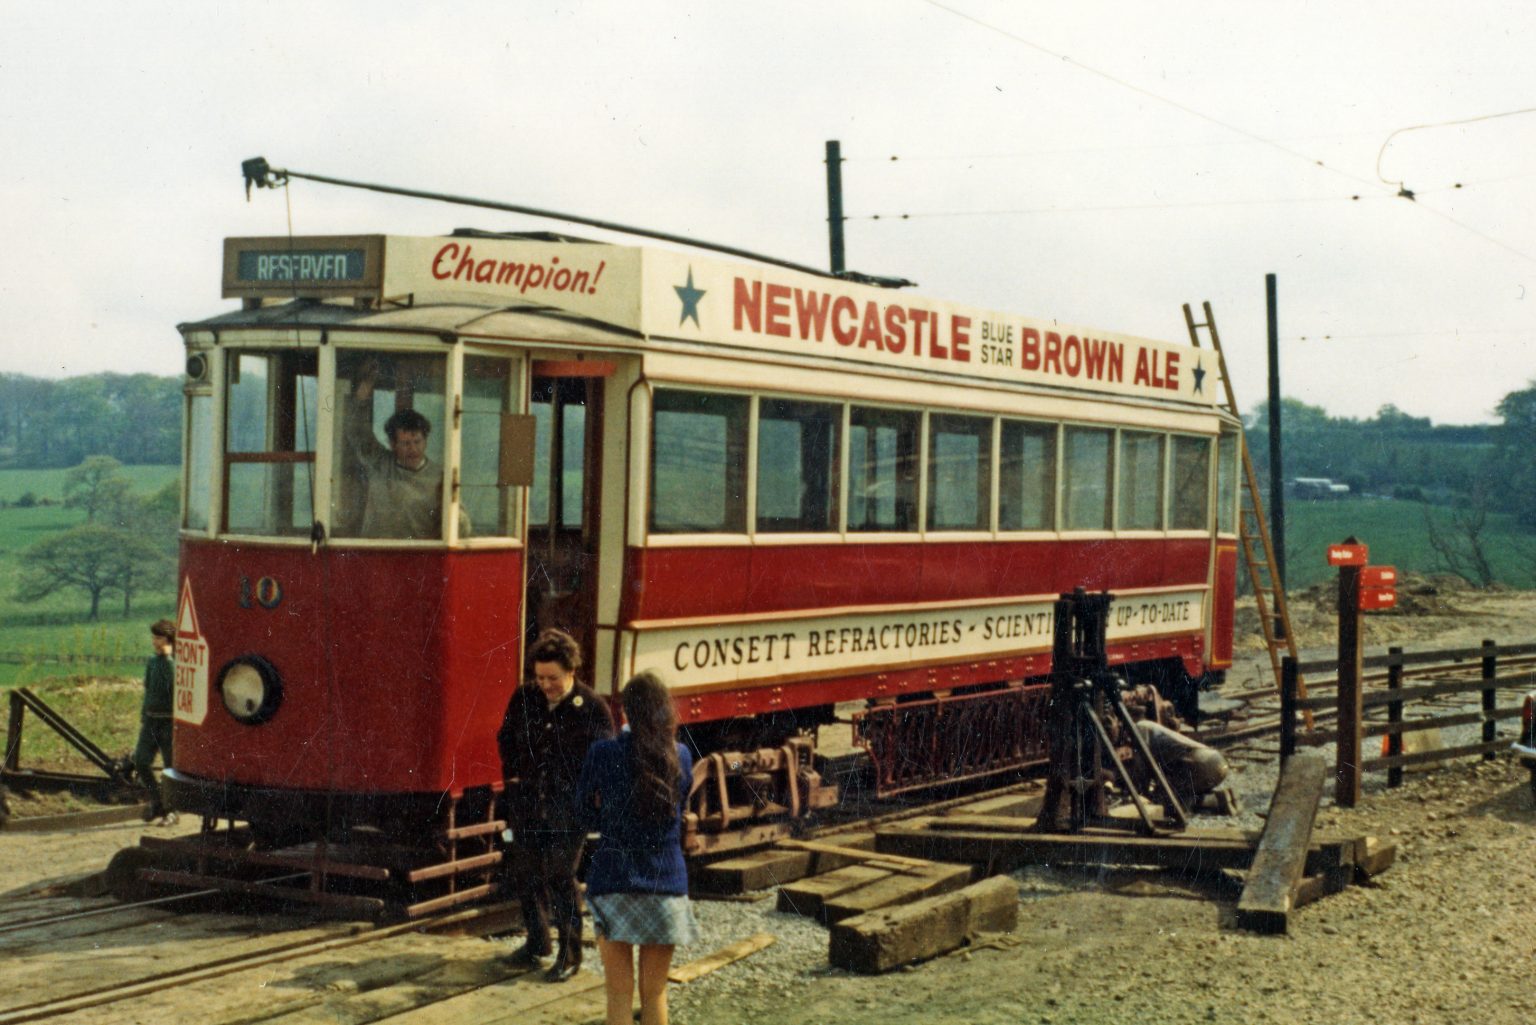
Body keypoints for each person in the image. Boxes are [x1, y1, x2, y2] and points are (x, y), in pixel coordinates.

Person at [576, 670, 700, 1025]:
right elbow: (681, 802)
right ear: (665, 711)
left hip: (613, 882)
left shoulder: (602, 752)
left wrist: (611, 822)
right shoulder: (681, 756)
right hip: (665, 887)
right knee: (655, 992)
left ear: (625, 712)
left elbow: (582, 810)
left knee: (618, 993)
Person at [496, 628, 615, 982]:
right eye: (539, 677)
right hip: (529, 801)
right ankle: (537, 943)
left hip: (569, 806)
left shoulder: (592, 707)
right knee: (526, 871)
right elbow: (506, 739)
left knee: (561, 875)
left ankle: (569, 954)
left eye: (554, 678)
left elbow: (605, 758)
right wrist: (516, 777)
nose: (545, 684)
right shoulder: (525, 697)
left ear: (571, 672)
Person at [345, 361, 446, 539]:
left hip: (420, 559)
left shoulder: (440, 476)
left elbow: (459, 523)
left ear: (426, 440)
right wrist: (365, 388)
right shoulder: (379, 463)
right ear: (393, 444)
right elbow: (356, 430)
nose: (413, 449)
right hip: (376, 556)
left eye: (418, 441)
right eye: (406, 443)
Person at [133, 619, 178, 826]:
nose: (155, 641)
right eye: (154, 637)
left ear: (169, 640)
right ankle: (157, 801)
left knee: (170, 768)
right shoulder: (152, 663)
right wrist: (144, 716)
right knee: (141, 761)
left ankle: (172, 811)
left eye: (159, 638)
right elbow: (148, 690)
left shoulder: (175, 664)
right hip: (151, 720)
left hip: (168, 722)